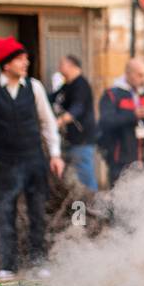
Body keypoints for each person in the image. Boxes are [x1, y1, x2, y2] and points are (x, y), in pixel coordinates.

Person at [0, 37, 63, 279]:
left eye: (25, 58)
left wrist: (55, 154)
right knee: (6, 212)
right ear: (6, 64)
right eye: (20, 58)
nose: (25, 62)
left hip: (34, 160)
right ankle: (8, 265)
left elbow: (48, 123)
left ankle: (39, 262)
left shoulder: (34, 87)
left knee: (37, 212)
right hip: (7, 162)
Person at [98, 57, 144, 187]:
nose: (143, 79)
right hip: (119, 159)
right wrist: (132, 115)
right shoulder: (112, 94)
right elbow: (106, 121)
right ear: (128, 74)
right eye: (140, 75)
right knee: (120, 200)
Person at [52, 54, 97, 191]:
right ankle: (78, 209)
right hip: (69, 141)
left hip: (81, 141)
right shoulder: (67, 86)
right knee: (72, 180)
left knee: (85, 179)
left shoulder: (81, 85)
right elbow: (51, 98)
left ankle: (92, 208)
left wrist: (59, 121)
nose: (59, 67)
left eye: (62, 64)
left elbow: (78, 108)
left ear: (71, 66)